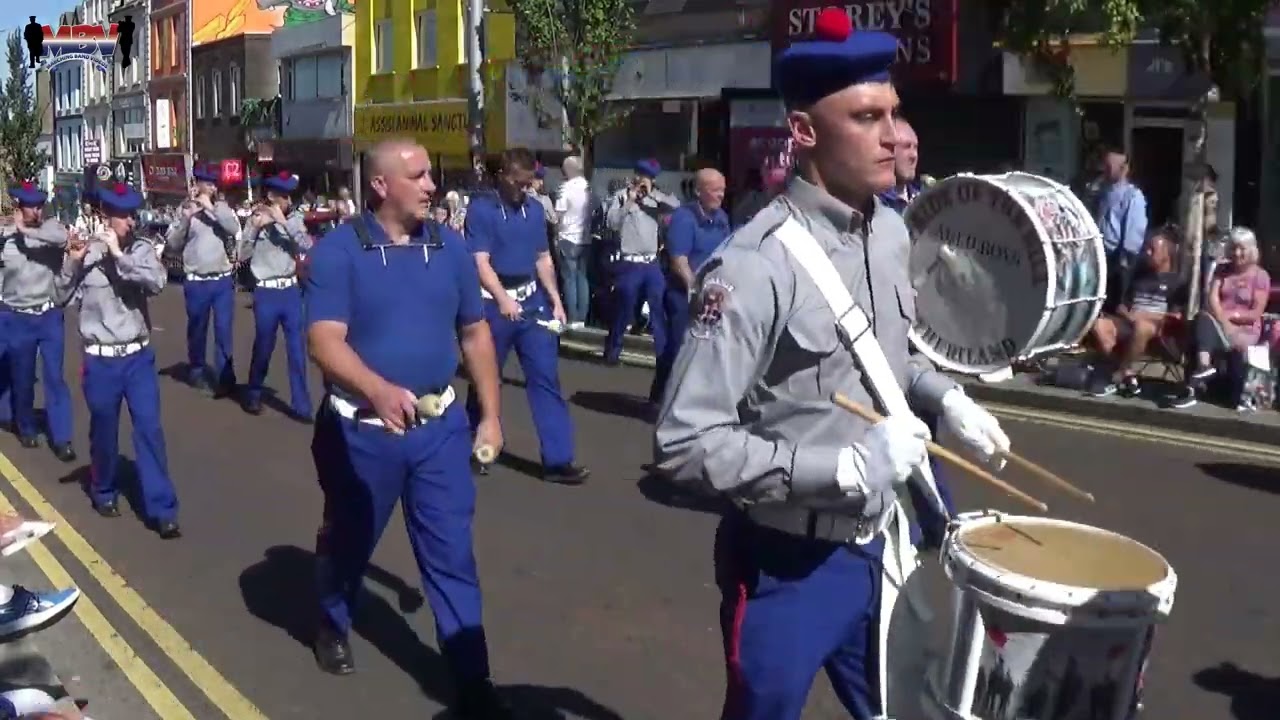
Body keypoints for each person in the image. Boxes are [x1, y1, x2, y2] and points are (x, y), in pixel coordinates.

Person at [652, 9, 1010, 718]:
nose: (894, 135)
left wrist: (944, 397)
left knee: (911, 709)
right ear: (805, 131)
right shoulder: (754, 265)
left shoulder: (890, 233)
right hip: (784, 565)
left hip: (876, 549)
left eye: (895, 113)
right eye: (868, 117)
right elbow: (683, 443)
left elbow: (885, 359)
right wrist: (839, 469)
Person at [304, 139, 511, 718]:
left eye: (430, 175)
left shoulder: (450, 248)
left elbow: (475, 333)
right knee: (351, 540)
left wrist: (491, 416)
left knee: (451, 553)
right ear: (380, 185)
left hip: (438, 431)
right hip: (362, 434)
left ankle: (472, 678)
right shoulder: (339, 252)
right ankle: (332, 620)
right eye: (418, 176)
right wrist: (376, 388)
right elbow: (323, 340)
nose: (431, 186)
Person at [54, 182, 181, 539]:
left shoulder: (141, 250)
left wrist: (118, 257)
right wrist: (73, 262)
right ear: (105, 216)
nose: (129, 221)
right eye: (122, 215)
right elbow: (60, 296)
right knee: (104, 431)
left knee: (149, 429)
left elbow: (157, 282)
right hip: (101, 360)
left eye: (131, 214)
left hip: (137, 356)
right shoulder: (88, 255)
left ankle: (163, 509)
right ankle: (104, 488)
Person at [463, 148, 589, 484]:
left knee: (545, 378)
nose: (525, 188)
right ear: (503, 177)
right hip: (494, 304)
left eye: (529, 182)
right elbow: (480, 261)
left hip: (532, 303)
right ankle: (480, 447)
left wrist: (556, 300)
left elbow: (543, 258)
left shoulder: (533, 210)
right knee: (486, 380)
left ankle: (558, 460)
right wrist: (502, 298)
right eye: (519, 182)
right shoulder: (482, 210)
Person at [2, 182, 75, 461]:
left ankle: (62, 437)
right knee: (22, 378)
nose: (37, 211)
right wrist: (13, 230)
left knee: (55, 377)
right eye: (31, 206)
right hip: (18, 316)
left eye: (40, 205)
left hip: (48, 315)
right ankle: (26, 426)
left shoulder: (50, 229)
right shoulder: (6, 239)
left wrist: (24, 230)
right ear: (19, 207)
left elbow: (61, 238)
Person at [650, 168, 729, 405]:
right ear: (698, 191)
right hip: (682, 294)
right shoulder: (684, 218)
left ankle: (694, 403)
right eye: (715, 190)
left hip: (713, 295)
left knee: (708, 351)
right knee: (678, 348)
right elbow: (679, 261)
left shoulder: (722, 218)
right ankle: (660, 399)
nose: (721, 195)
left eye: (723, 190)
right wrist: (695, 290)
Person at [238, 171, 312, 420]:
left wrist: (284, 223)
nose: (288, 201)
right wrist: (254, 229)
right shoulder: (256, 218)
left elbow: (306, 244)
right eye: (284, 196)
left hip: (290, 290)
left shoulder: (294, 220)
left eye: (290, 196)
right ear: (271, 196)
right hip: (266, 291)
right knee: (264, 345)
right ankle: (254, 392)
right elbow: (242, 255)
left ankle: (301, 405)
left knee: (297, 350)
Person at [1173, 225, 1271, 409]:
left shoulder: (1260, 276)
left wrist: (1230, 316)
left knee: (1202, 328)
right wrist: (1223, 322)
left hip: (1245, 330)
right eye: (1233, 248)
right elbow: (1212, 299)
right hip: (1218, 324)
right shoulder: (1222, 270)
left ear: (1251, 250)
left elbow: (1255, 313)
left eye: (1242, 248)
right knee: (1201, 319)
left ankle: (1196, 384)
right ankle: (1203, 368)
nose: (1237, 253)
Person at [1087, 226, 1187, 399]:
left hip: (1158, 331)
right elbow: (1121, 306)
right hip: (1129, 323)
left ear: (1167, 253)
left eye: (1153, 250)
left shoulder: (1177, 283)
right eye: (1147, 248)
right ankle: (1127, 374)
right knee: (1098, 324)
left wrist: (1143, 317)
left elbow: (1176, 316)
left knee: (1142, 326)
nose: (1147, 253)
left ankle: (1119, 373)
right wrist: (1129, 316)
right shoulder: (1139, 276)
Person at [166, 166, 240, 397]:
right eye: (207, 184)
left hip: (222, 279)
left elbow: (233, 228)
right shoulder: (185, 209)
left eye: (214, 184)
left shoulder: (222, 208)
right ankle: (197, 369)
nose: (212, 188)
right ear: (197, 184)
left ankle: (225, 375)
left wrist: (211, 208)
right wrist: (186, 219)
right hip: (196, 280)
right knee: (197, 329)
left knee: (223, 329)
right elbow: (173, 244)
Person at [604, 159, 680, 364]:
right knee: (625, 305)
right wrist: (630, 202)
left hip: (651, 263)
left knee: (658, 306)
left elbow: (676, 208)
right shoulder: (621, 196)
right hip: (630, 262)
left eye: (648, 177)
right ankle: (613, 349)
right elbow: (612, 223)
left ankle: (663, 356)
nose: (642, 179)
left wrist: (652, 194)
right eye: (640, 175)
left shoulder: (658, 198)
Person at [1095, 146, 1148, 313]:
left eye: (1110, 166)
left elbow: (1134, 232)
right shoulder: (1102, 192)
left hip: (1118, 260)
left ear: (1124, 168)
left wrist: (1125, 262)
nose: (1105, 170)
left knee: (1115, 307)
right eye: (1105, 165)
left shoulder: (1133, 196)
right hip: (1098, 254)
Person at [554, 156, 592, 328]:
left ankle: (573, 317)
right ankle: (582, 318)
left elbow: (558, 214)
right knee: (582, 277)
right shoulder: (588, 187)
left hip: (567, 237)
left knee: (569, 279)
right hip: (585, 238)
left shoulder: (565, 188)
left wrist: (556, 234)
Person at [878, 118, 921, 213]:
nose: (914, 155)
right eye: (907, 146)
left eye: (915, 147)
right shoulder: (872, 204)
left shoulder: (925, 199)